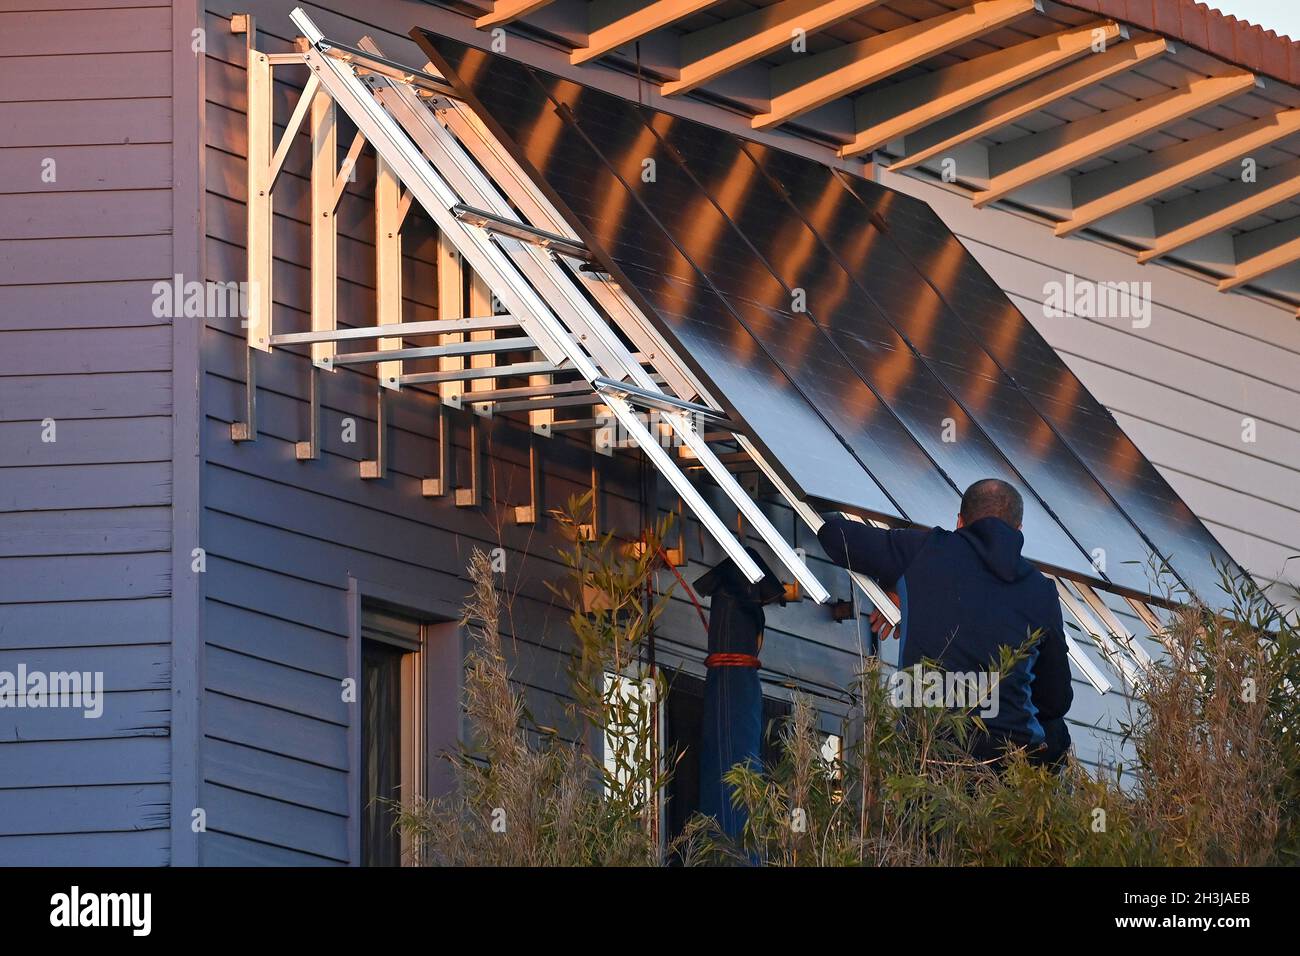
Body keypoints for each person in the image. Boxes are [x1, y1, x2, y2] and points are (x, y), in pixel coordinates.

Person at [818, 478, 1073, 769]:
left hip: (928, 751)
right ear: (1019, 531)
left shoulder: (923, 551)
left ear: (960, 521)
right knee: (1055, 732)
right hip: (1008, 763)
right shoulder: (1041, 590)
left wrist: (897, 581)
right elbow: (1056, 698)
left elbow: (835, 535)